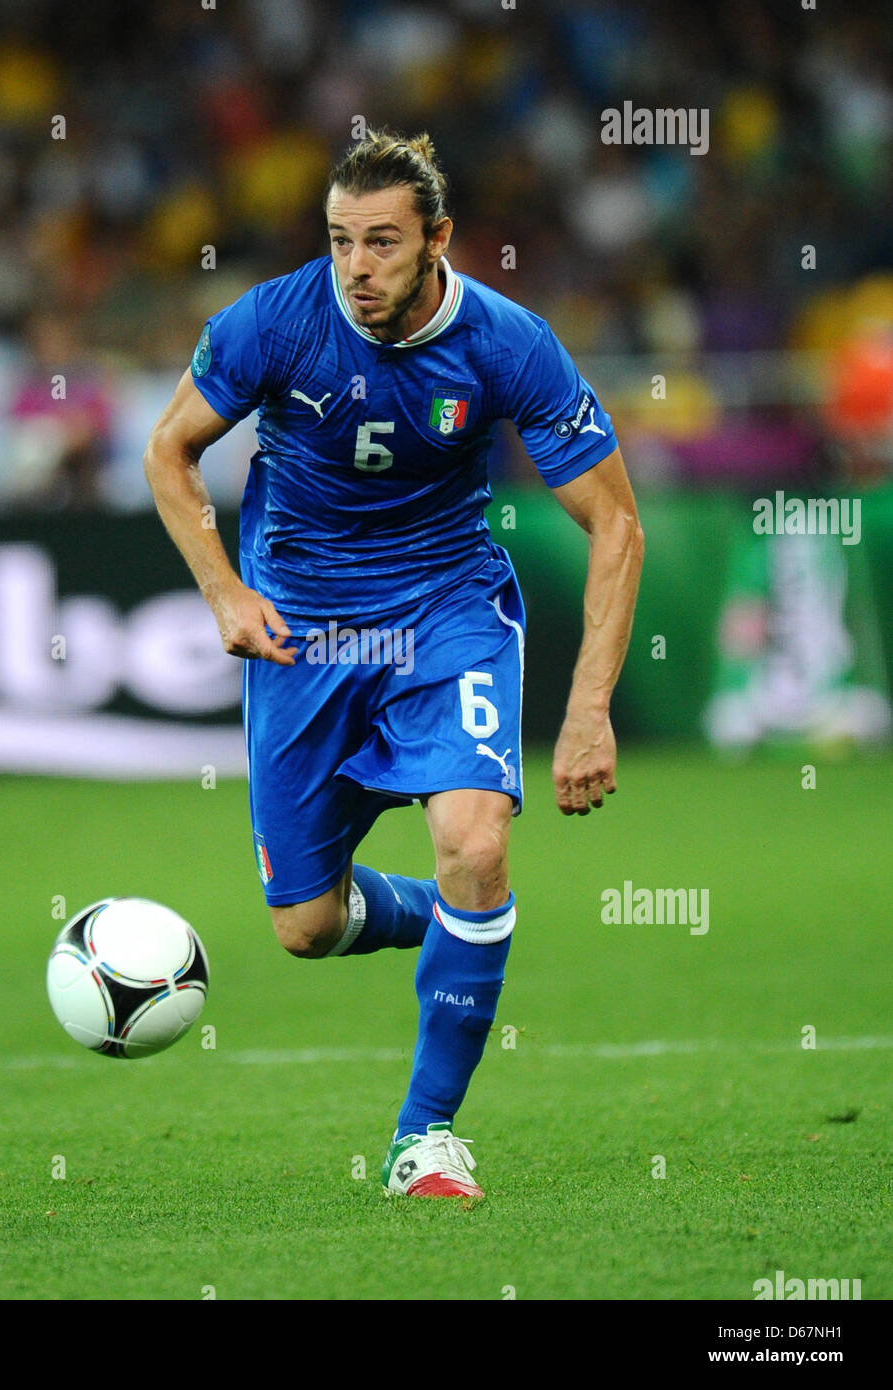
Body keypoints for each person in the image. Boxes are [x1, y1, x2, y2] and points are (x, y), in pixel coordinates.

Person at [144, 131, 644, 1202]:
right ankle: (471, 916)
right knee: (305, 928)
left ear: (437, 242)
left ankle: (427, 1134)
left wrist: (589, 708)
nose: (355, 267)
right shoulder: (276, 320)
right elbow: (168, 447)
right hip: (305, 635)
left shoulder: (509, 344)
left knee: (474, 841)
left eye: (380, 243)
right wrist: (226, 590)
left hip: (442, 614)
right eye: (338, 241)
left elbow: (614, 525)